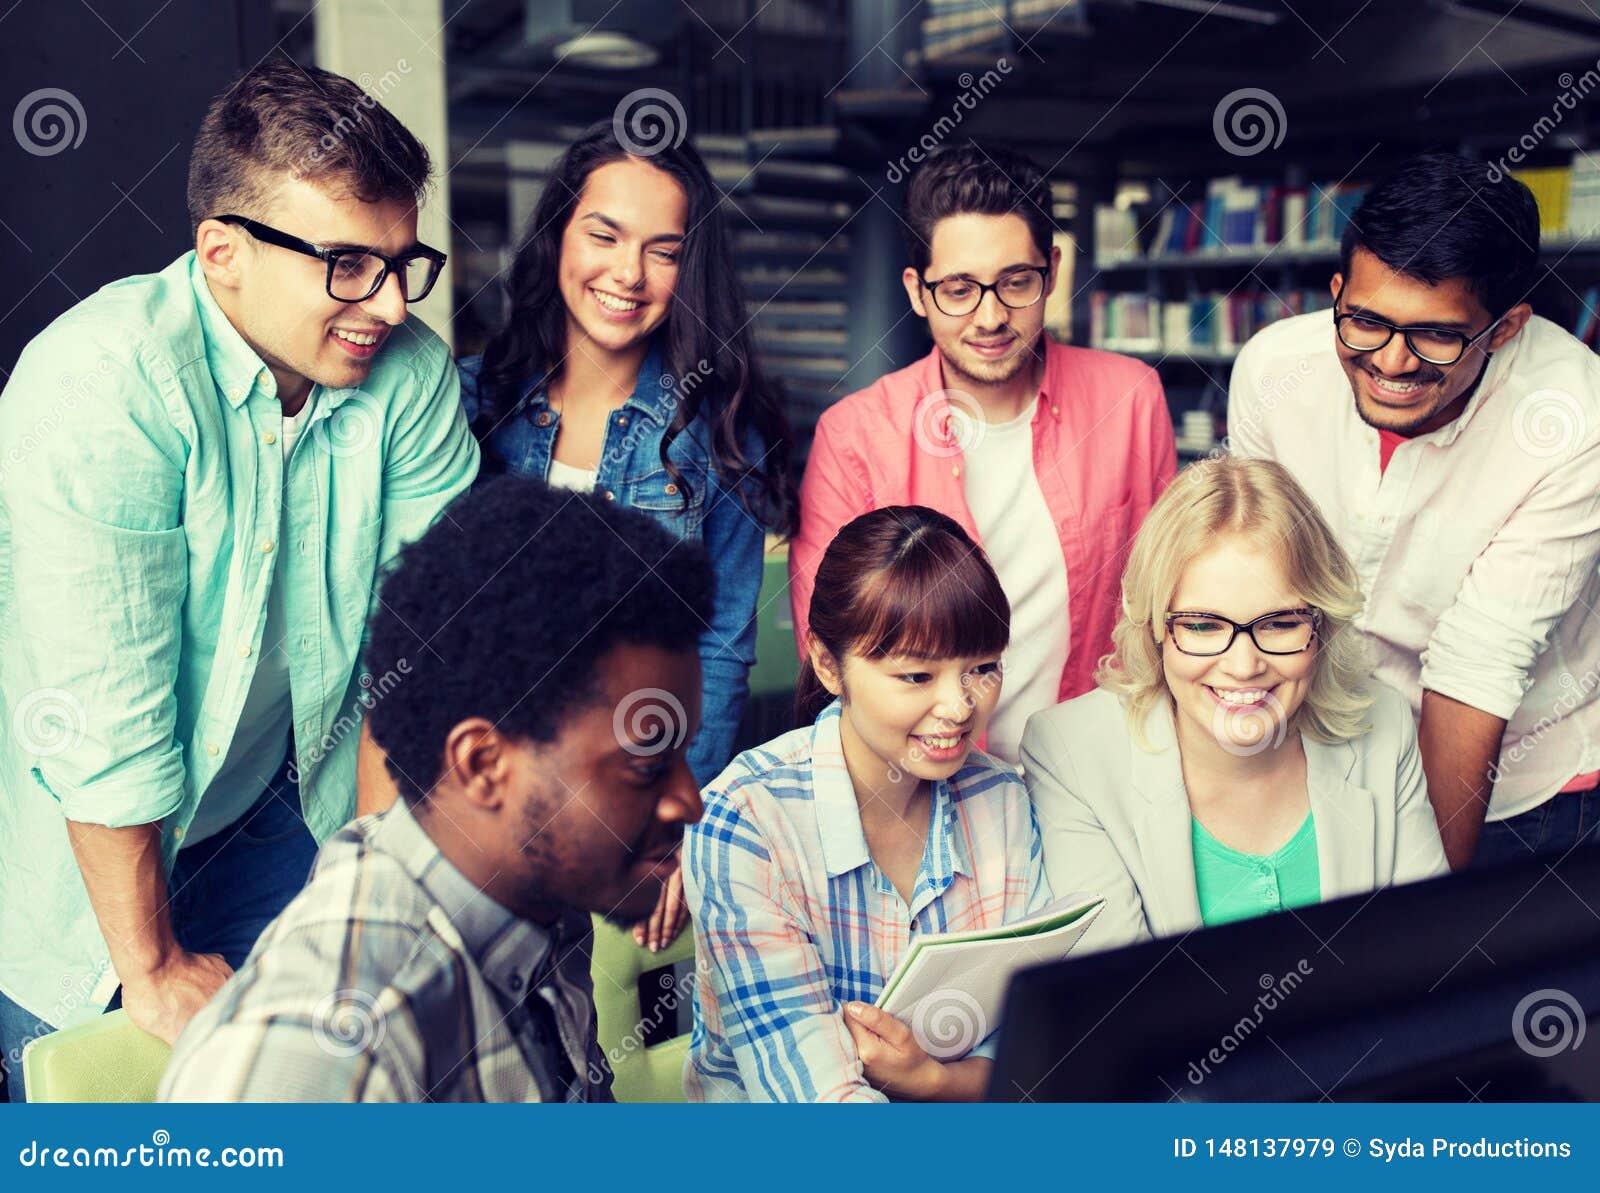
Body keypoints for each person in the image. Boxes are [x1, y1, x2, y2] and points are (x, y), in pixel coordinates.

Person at [0, 60, 477, 1100]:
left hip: (281, 799)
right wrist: (154, 968)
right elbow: (104, 723)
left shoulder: (415, 379)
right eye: (348, 264)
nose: (390, 306)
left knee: (313, 1101)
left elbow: (415, 649)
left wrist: (372, 899)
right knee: (108, 1118)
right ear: (222, 252)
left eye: (404, 264)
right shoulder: (98, 385)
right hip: (84, 836)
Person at [356, 121, 796, 950]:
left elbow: (721, 653)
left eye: (663, 250)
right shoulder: (465, 405)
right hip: (470, 803)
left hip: (614, 796)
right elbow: (418, 628)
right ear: (559, 233)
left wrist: (662, 831)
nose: (628, 273)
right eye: (604, 234)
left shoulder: (724, 436)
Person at [159, 477, 710, 1101]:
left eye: (683, 756)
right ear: (482, 766)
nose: (689, 800)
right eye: (645, 767)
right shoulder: (324, 1059)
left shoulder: (534, 889)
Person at [1228, 152, 1600, 870]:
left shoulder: (1578, 418)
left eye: (1435, 335)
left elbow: (1476, 664)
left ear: (1507, 327)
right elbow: (1255, 575)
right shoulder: (1274, 370)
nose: (1391, 363)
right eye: (1365, 320)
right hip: (1335, 754)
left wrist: (1424, 924)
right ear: (1336, 290)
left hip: (1531, 793)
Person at [789, 141, 1176, 766]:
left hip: (1095, 775)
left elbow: (1167, 602)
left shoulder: (1129, 400)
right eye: (960, 289)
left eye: (1016, 283)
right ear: (917, 291)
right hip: (920, 782)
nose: (991, 316)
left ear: (1051, 270)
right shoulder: (855, 436)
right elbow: (833, 658)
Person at [682, 506, 1052, 1102]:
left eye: (982, 668)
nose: (960, 707)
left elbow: (1040, 1056)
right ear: (829, 664)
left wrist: (933, 1080)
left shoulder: (1002, 797)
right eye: (916, 676)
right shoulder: (744, 822)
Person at [1022, 457, 1448, 952]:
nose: (1244, 666)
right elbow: (1127, 1004)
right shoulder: (1070, 754)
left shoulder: (1384, 721)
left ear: (1322, 626)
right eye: (1203, 626)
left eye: (1280, 623)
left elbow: (1427, 954)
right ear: (1157, 628)